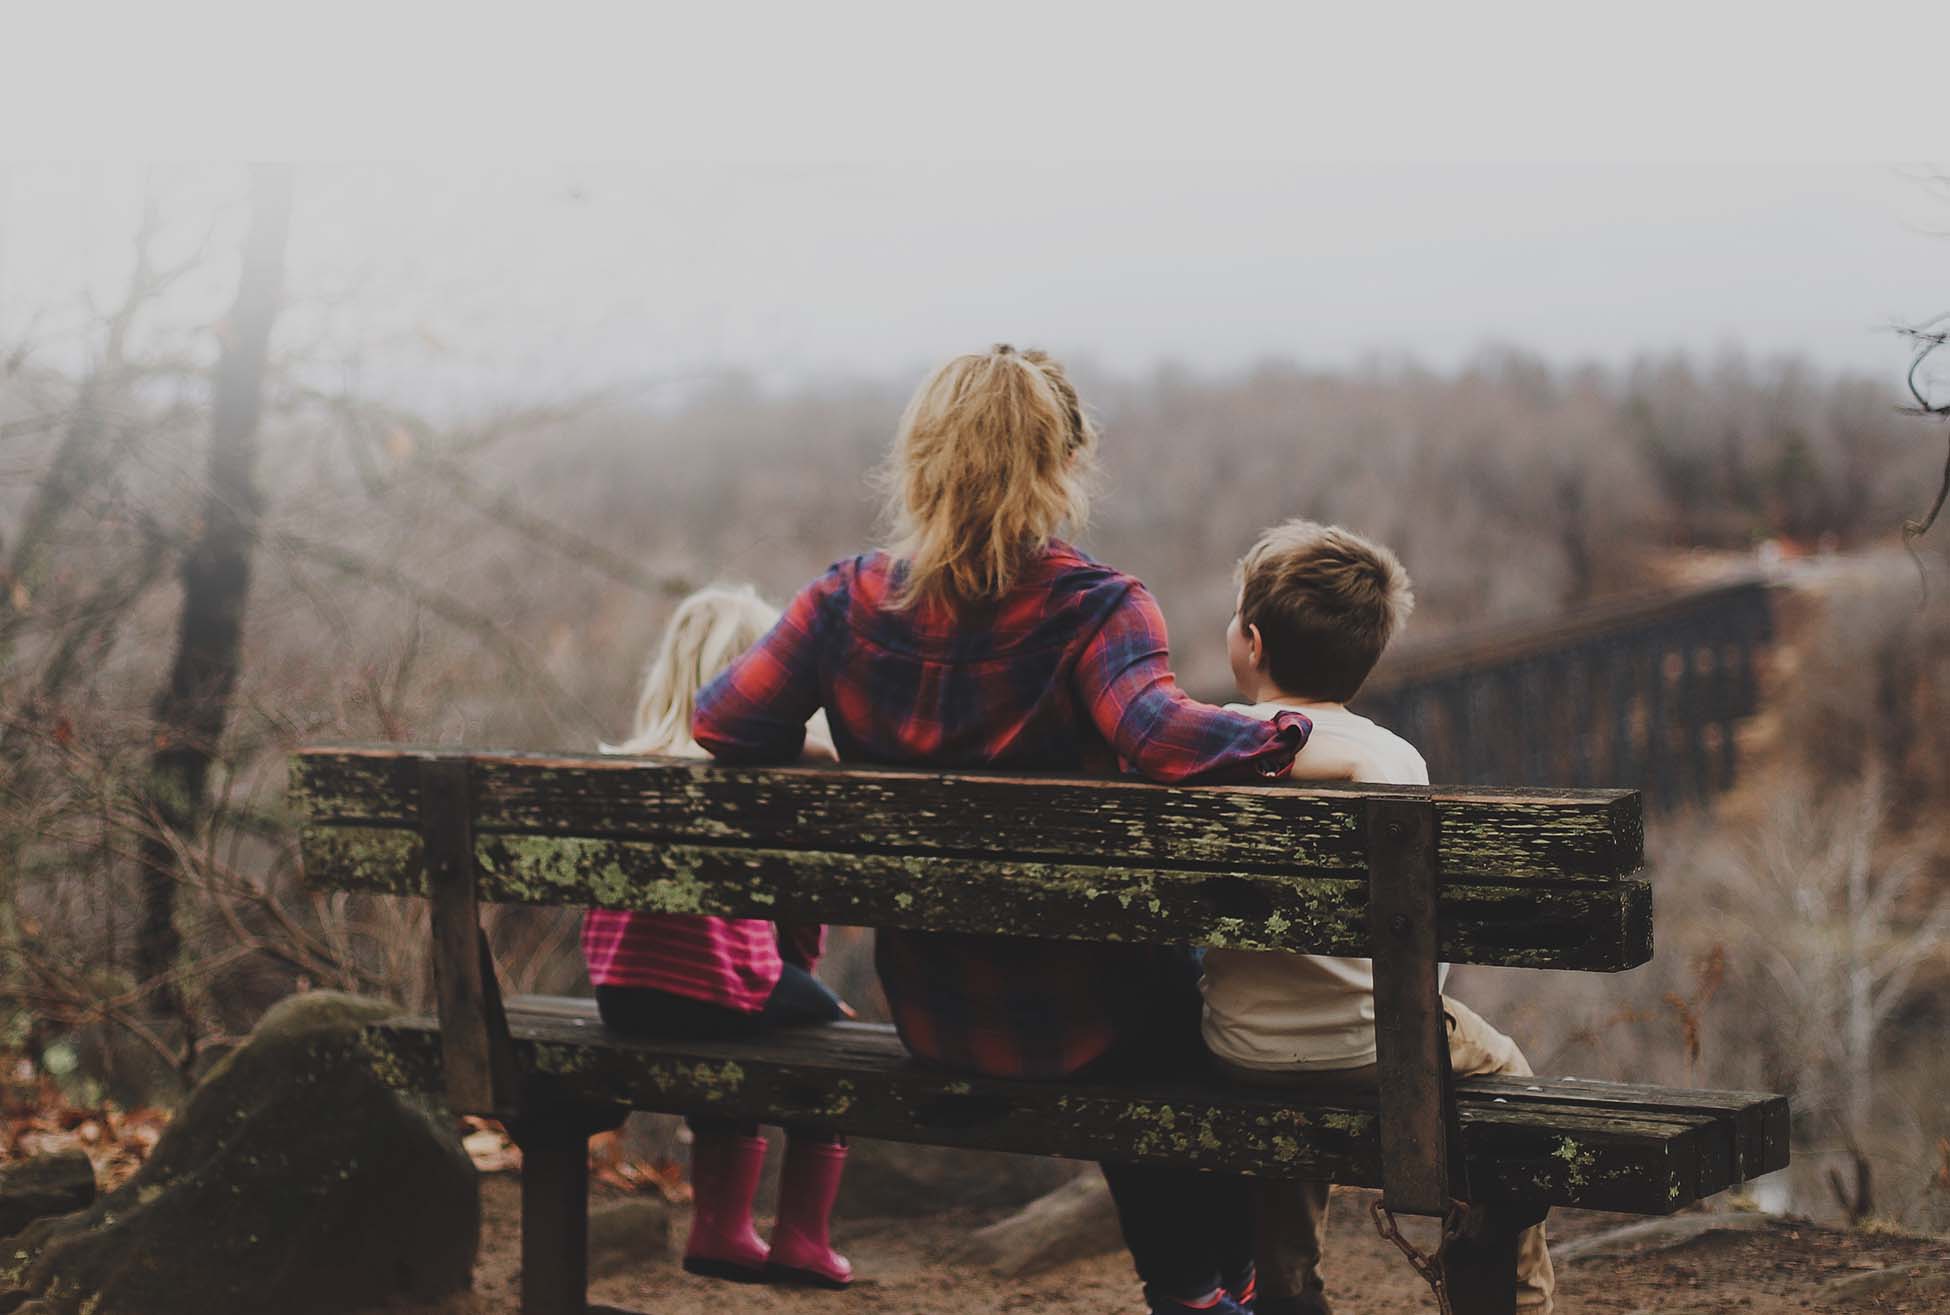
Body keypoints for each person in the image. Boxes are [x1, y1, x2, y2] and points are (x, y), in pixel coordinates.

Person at [692, 344, 1315, 1315]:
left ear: (921, 459)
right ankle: (1213, 1287)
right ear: (1064, 463)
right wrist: (1291, 728)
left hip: (940, 1012)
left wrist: (828, 754)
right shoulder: (1098, 608)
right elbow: (1158, 734)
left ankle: (1202, 1288)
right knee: (1181, 1004)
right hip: (1097, 1018)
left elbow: (723, 721)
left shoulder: (843, 602)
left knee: (1150, 1002)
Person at [1200, 519, 1555, 1315]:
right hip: (1374, 1045)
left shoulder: (1208, 746)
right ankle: (1512, 1292)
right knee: (1508, 1076)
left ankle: (1286, 1285)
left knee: (1287, 1069)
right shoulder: (1392, 760)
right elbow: (1420, 954)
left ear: (1251, 642)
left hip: (1239, 1046)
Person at [582, 584, 854, 1289]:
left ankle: (721, 1228)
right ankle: (798, 1239)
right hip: (717, 991)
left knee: (737, 1010)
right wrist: (805, 979)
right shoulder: (756, 776)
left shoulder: (624, 768)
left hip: (621, 996)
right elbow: (796, 916)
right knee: (828, 1032)